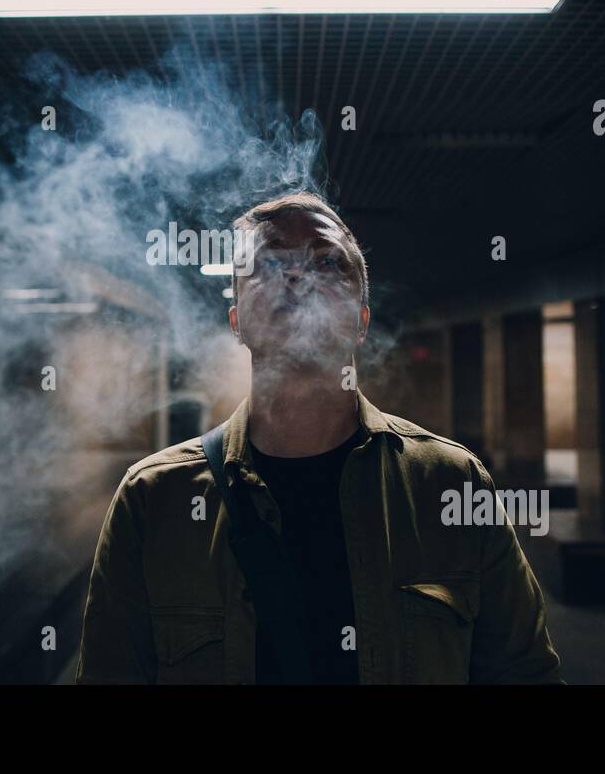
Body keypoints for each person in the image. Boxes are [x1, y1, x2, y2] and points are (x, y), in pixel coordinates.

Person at [75, 190, 563, 684]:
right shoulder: (153, 500)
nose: (295, 276)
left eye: (328, 263)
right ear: (237, 322)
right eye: (266, 265)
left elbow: (525, 674)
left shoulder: (452, 484)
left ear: (361, 322)